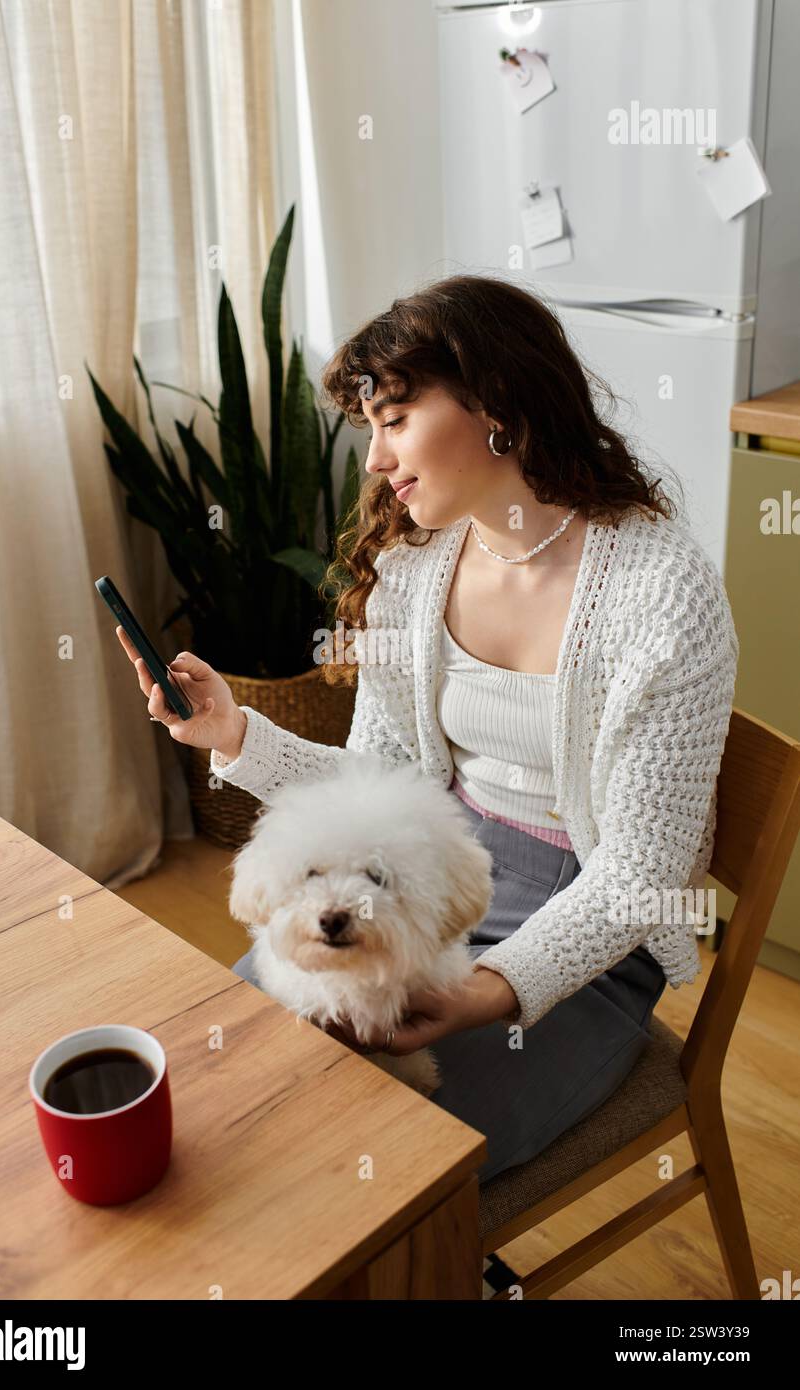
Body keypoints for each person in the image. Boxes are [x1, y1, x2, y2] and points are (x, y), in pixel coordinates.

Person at [116, 274, 738, 1184]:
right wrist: (233, 734)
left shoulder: (662, 594)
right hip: (421, 880)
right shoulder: (416, 562)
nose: (375, 460)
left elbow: (640, 874)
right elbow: (380, 780)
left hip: (590, 940)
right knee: (241, 1085)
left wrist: (492, 990)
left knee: (366, 1163)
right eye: (372, 428)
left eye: (395, 421)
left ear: (495, 403)